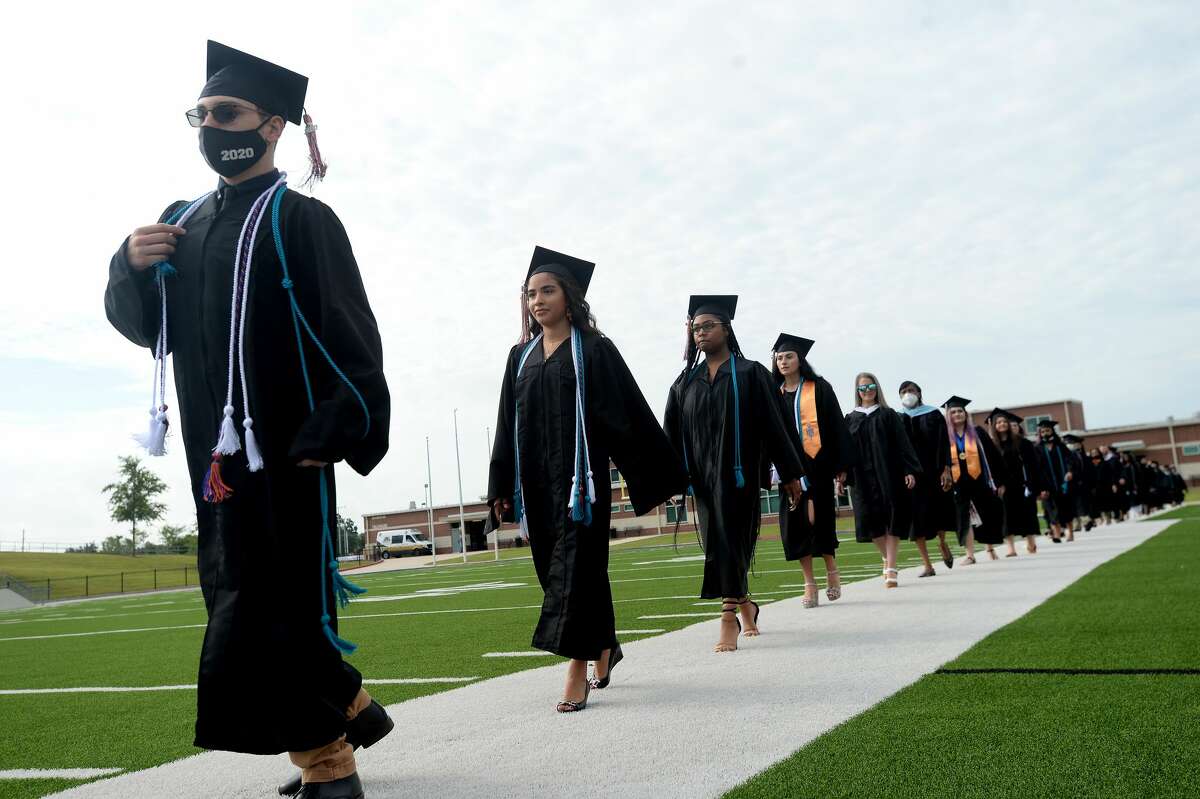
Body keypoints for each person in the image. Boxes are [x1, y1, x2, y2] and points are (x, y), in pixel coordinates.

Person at [105, 42, 390, 799]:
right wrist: (131, 265)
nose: (208, 125)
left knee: (281, 609)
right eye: (199, 114)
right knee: (238, 600)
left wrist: (328, 435)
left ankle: (330, 765)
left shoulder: (301, 220)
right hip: (218, 465)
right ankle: (352, 706)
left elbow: (351, 338)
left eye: (224, 113)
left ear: (271, 127)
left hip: (290, 453)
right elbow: (146, 328)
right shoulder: (182, 224)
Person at [487, 248, 687, 712]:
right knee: (556, 571)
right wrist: (500, 487)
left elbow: (627, 413)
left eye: (547, 291)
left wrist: (654, 473)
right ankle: (606, 645)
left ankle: (576, 666)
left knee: (574, 571)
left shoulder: (593, 349)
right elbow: (505, 424)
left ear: (569, 296)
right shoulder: (519, 356)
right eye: (531, 293)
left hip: (582, 485)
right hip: (535, 483)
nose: (538, 301)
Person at [665, 296, 804, 652]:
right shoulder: (685, 383)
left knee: (733, 539)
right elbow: (671, 436)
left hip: (738, 476)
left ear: (726, 329)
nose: (701, 333)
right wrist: (672, 481)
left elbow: (776, 426)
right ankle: (746, 605)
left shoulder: (750, 373)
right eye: (695, 328)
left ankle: (727, 618)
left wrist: (790, 472)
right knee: (718, 543)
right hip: (703, 480)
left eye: (708, 326)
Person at [771, 334, 855, 607]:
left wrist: (842, 465)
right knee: (794, 528)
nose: (783, 362)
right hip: (788, 470)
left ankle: (832, 571)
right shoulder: (773, 393)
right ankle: (809, 583)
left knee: (820, 522)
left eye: (789, 357)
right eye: (779, 357)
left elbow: (836, 426)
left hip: (817, 465)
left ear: (800, 360)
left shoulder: (819, 388)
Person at [841, 373, 920, 588]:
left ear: (878, 387)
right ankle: (886, 557)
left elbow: (903, 444)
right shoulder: (850, 418)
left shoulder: (889, 415)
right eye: (863, 388)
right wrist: (841, 474)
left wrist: (909, 470)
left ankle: (892, 567)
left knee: (892, 517)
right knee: (870, 520)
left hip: (889, 474)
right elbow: (845, 451)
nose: (868, 391)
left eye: (871, 386)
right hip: (861, 477)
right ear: (857, 391)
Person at [896, 380, 956, 576]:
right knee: (916, 519)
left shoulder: (933, 414)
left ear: (919, 393)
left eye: (911, 390)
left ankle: (942, 542)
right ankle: (927, 565)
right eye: (903, 391)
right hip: (912, 475)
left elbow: (944, 443)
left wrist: (946, 469)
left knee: (938, 512)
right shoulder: (898, 417)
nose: (907, 393)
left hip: (934, 470)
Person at [943, 397, 1006, 564]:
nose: (957, 414)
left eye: (960, 411)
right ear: (948, 415)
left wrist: (999, 482)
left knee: (986, 515)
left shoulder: (977, 432)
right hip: (958, 483)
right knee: (964, 519)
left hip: (979, 481)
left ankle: (989, 548)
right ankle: (970, 555)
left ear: (965, 413)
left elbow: (994, 457)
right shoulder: (944, 436)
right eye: (953, 412)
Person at [986, 409, 1040, 556]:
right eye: (998, 422)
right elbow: (991, 468)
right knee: (1006, 517)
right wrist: (998, 484)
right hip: (1004, 486)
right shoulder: (992, 445)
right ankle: (1011, 548)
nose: (1002, 424)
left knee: (1027, 515)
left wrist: (1032, 484)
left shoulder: (1023, 443)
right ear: (994, 426)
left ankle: (1031, 543)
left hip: (1022, 484)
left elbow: (1033, 465)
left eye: (1004, 422)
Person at [1033, 419, 1075, 542]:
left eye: (1047, 430)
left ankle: (1070, 533)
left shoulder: (1060, 446)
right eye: (1043, 431)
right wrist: (1040, 487)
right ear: (1040, 433)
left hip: (1063, 483)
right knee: (1051, 510)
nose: (1045, 433)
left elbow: (1070, 460)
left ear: (1052, 431)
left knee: (1066, 508)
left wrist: (1070, 471)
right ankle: (1057, 534)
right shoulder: (1038, 448)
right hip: (1047, 484)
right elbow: (1036, 468)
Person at [1063, 434, 1096, 532]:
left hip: (1082, 483)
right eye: (1069, 443)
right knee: (1074, 504)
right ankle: (1080, 523)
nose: (1071, 445)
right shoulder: (1066, 456)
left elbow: (1087, 470)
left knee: (1082, 503)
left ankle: (1084, 522)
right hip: (1070, 483)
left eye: (1074, 443)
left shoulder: (1082, 455)